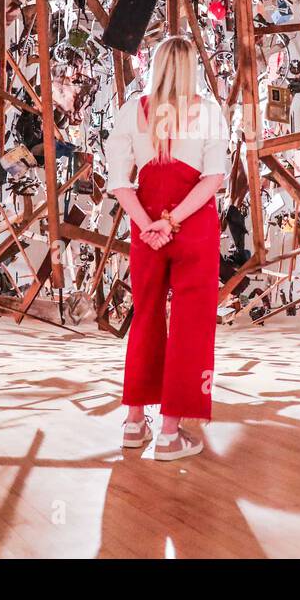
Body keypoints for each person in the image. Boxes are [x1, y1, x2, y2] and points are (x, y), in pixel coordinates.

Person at [104, 36, 229, 460]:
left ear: (156, 66)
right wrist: (173, 222)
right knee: (191, 326)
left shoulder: (130, 112)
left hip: (147, 229)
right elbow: (213, 178)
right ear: (192, 67)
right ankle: (170, 434)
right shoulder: (209, 112)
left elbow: (120, 181)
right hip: (193, 229)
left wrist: (148, 226)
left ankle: (134, 423)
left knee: (145, 317)